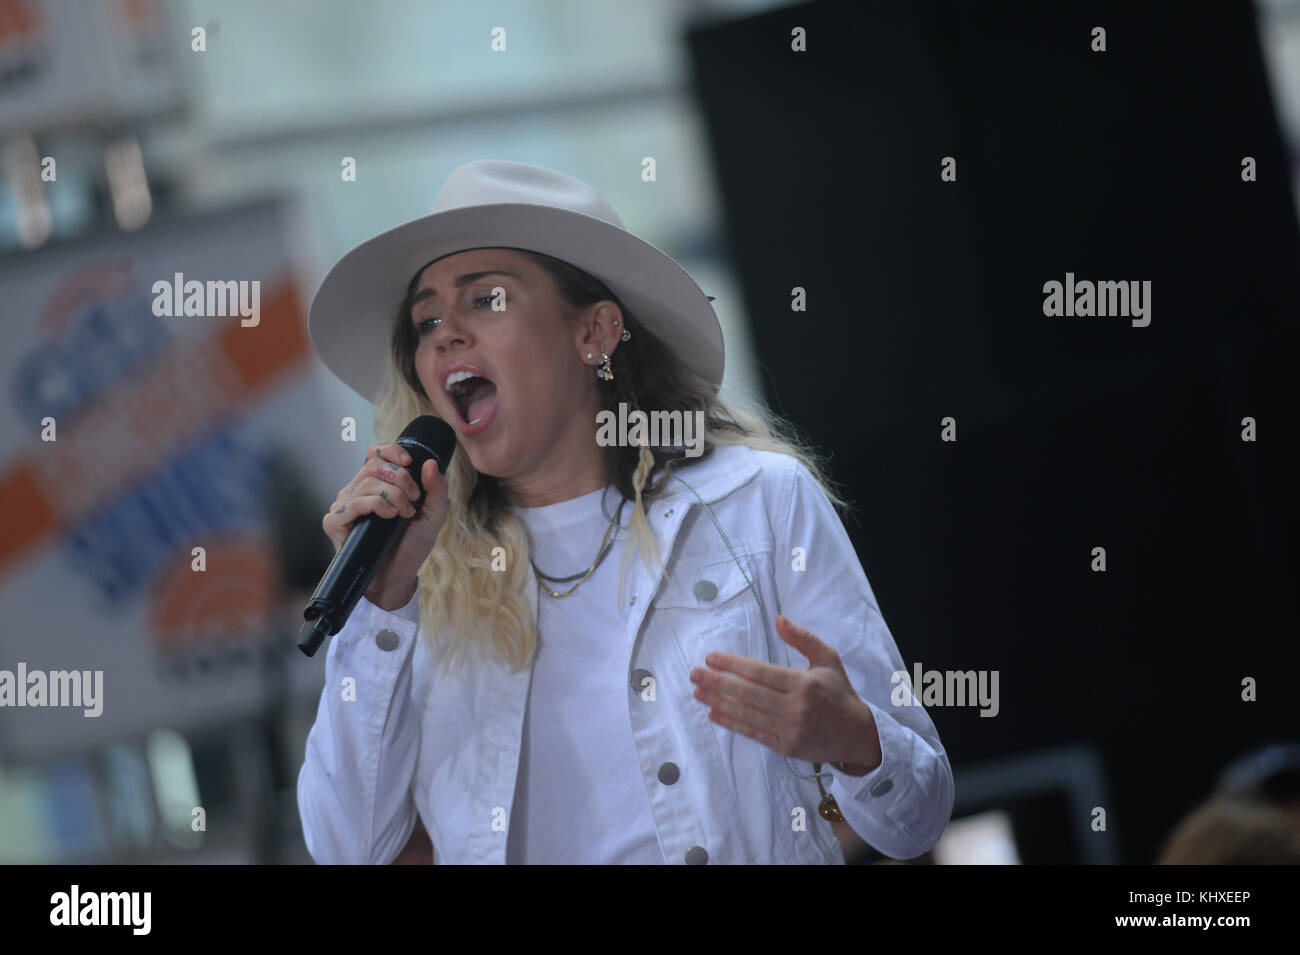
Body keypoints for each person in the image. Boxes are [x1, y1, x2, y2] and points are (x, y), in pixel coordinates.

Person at [296, 158, 954, 864]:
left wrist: (856, 741)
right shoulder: (416, 581)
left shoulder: (757, 503)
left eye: (485, 299)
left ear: (597, 333)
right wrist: (380, 609)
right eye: (426, 320)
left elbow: (916, 816)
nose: (446, 332)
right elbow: (347, 846)